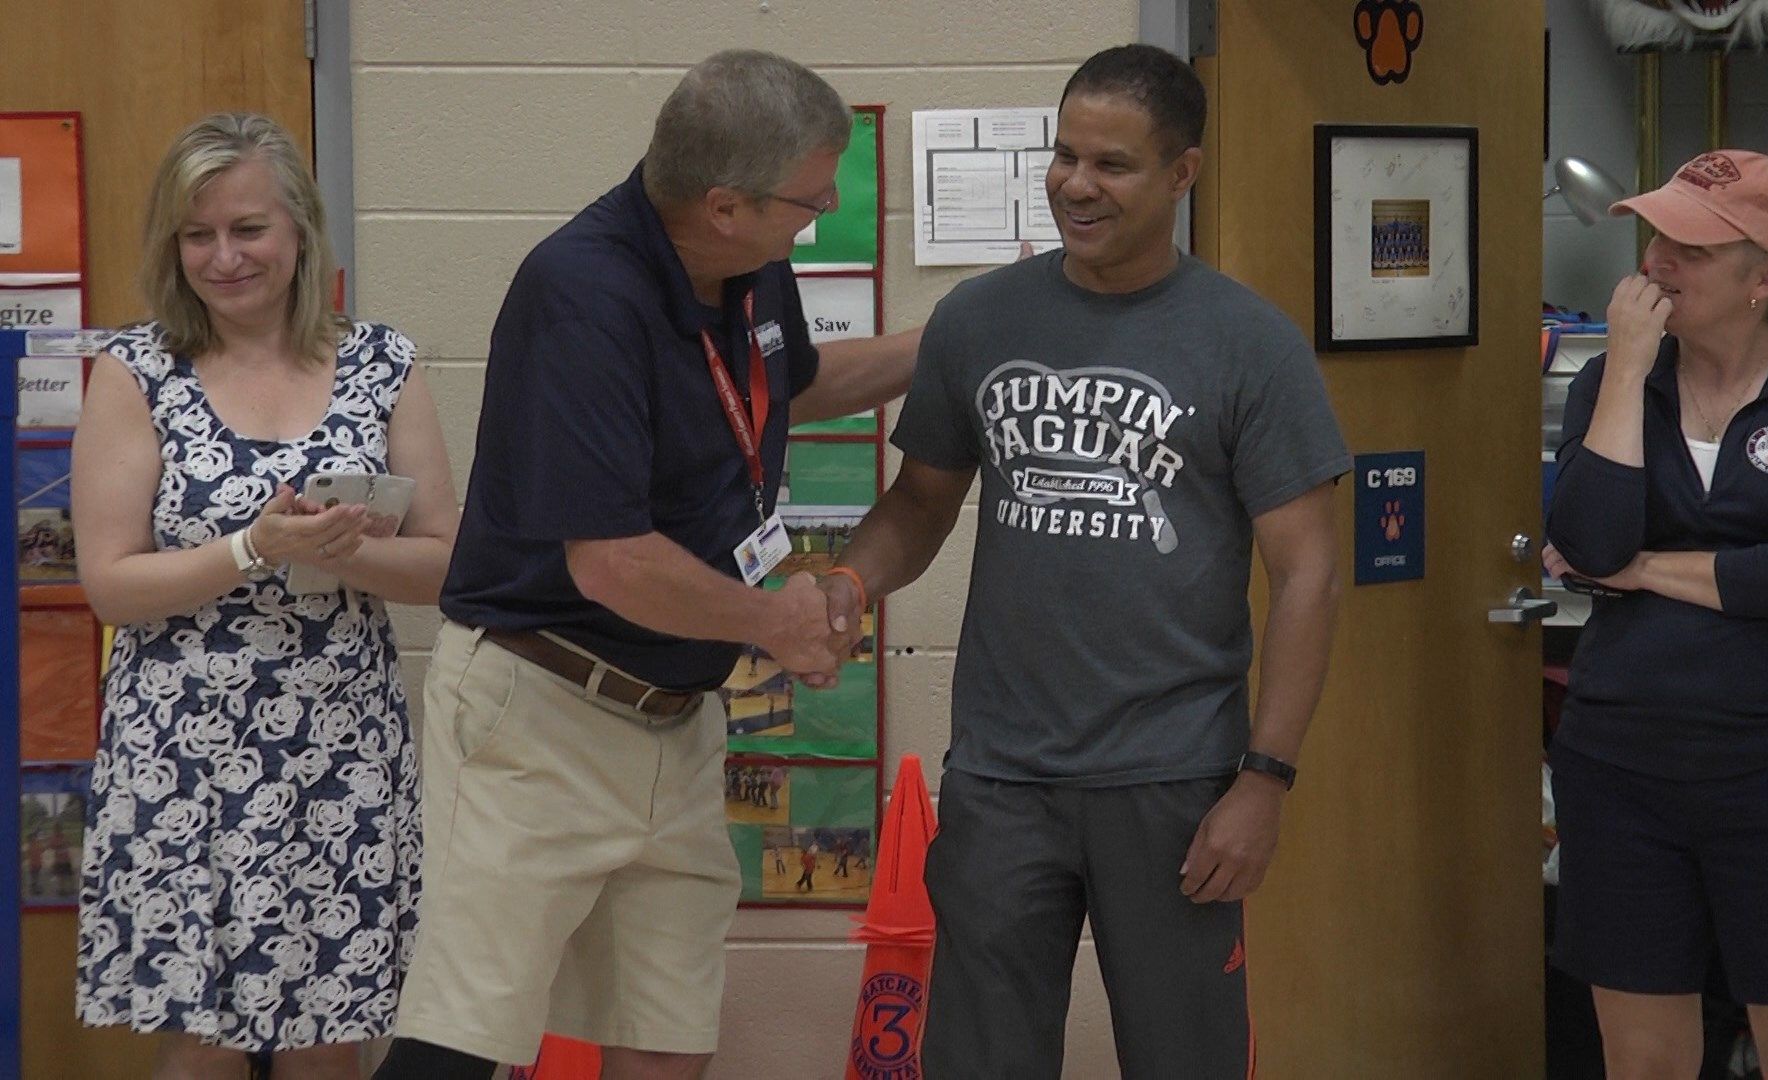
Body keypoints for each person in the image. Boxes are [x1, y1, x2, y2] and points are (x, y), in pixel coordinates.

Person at [375, 50, 923, 1079]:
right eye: (809, 200)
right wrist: (778, 623)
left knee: (667, 1040)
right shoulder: (582, 294)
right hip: (538, 714)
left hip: (675, 719)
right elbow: (612, 563)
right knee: (461, 1040)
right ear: (724, 205)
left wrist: (949, 341)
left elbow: (792, 386)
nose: (826, 210)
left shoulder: (750, 269)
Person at [818, 44, 1348, 1078]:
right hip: (1004, 775)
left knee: (1184, 1058)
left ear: (1182, 174)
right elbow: (921, 501)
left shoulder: (1250, 343)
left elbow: (1311, 576)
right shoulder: (981, 317)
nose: (1074, 184)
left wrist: (1265, 780)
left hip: (1178, 777)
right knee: (980, 1058)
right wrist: (847, 583)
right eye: (1064, 156)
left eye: (1112, 164)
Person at [69, 112, 459, 1079]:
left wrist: (342, 552)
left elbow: (451, 563)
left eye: (248, 229)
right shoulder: (136, 370)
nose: (224, 256)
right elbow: (111, 586)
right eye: (196, 235)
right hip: (184, 751)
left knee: (331, 1037)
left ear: (299, 231)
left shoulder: (384, 365)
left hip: (342, 743)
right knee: (203, 1044)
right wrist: (254, 546)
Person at [1544, 150, 1768, 1079]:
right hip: (1621, 767)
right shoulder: (1614, 387)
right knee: (1642, 1056)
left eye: (1692, 246)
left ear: (1767, 277)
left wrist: (1647, 567)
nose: (1657, 261)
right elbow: (1587, 537)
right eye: (1655, 235)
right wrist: (1622, 370)